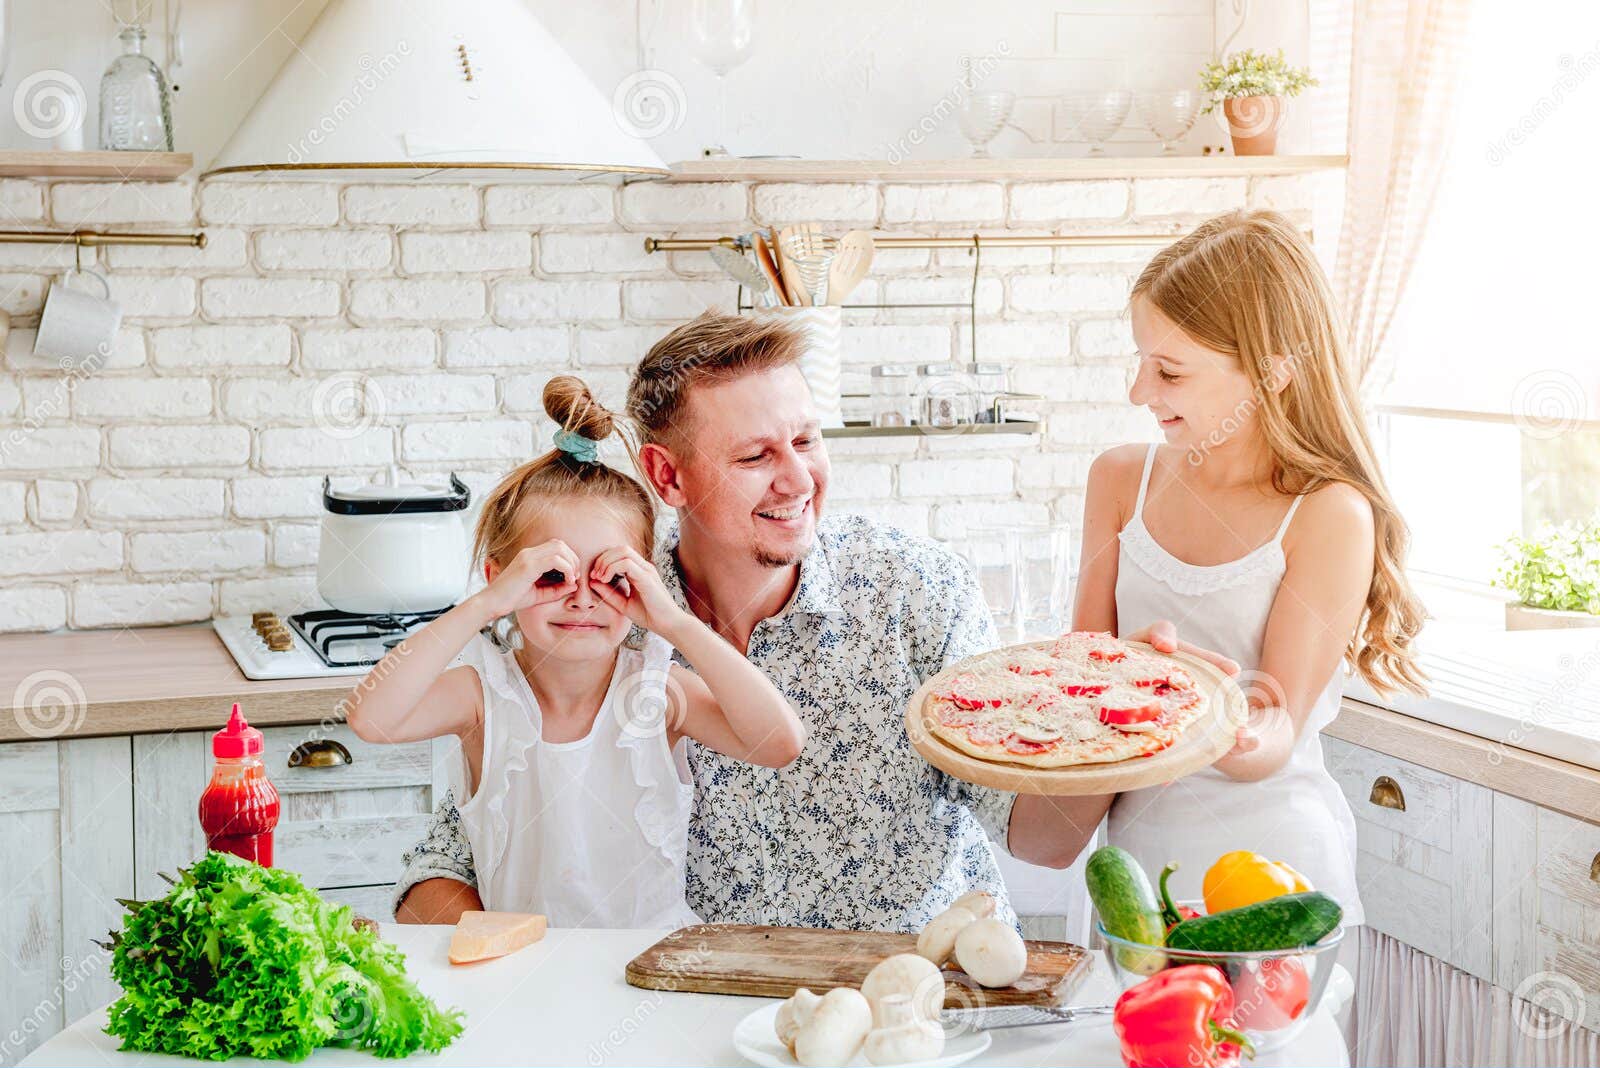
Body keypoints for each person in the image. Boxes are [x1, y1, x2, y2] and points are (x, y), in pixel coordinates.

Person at [394, 313, 1179, 931]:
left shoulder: (916, 591)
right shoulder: (593, 612)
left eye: (806, 439)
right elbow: (446, 862)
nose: (798, 477)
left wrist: (1109, 729)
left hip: (913, 1010)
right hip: (689, 1026)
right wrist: (518, 961)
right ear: (667, 475)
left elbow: (1040, 839)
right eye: (755, 456)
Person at [1070, 209, 1428, 921]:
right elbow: (1083, 677)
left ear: (1271, 373)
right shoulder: (1118, 481)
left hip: (1274, 880)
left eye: (1169, 370)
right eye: (1141, 362)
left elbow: (1275, 730)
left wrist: (1201, 711)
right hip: (1131, 878)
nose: (1139, 393)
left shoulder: (1329, 514)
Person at [348, 375, 803, 928]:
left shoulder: (657, 693)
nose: (583, 598)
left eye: (609, 575)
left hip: (651, 977)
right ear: (505, 578)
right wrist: (485, 603)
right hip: (519, 978)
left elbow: (779, 743)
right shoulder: (482, 698)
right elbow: (371, 718)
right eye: (552, 575)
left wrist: (671, 622)